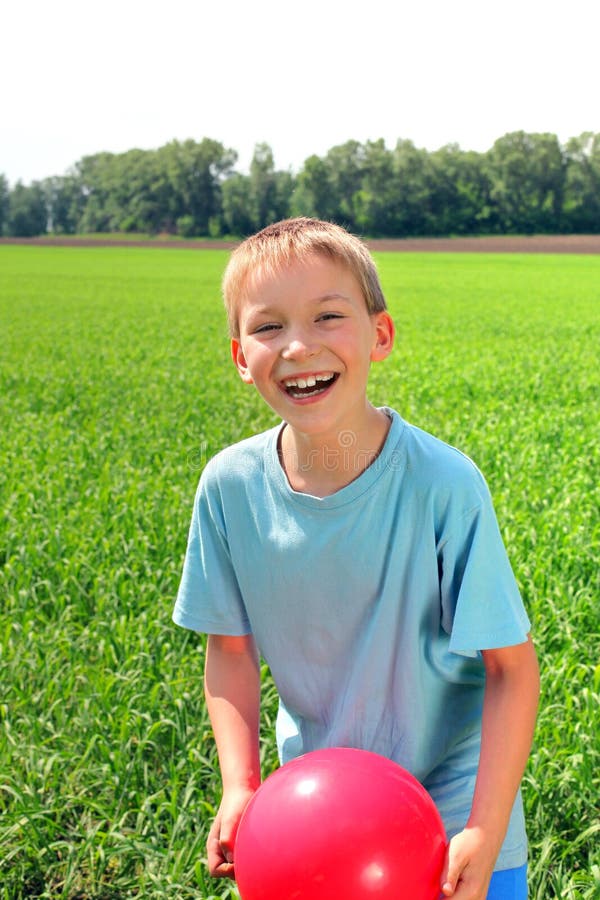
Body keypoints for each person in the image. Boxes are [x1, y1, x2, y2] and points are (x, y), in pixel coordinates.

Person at [173, 217, 540, 900]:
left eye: (327, 316)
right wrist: (239, 785)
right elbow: (228, 651)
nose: (298, 346)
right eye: (268, 327)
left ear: (381, 335)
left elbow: (512, 670)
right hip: (315, 823)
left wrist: (485, 831)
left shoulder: (443, 485)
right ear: (238, 356)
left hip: (451, 825)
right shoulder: (228, 488)